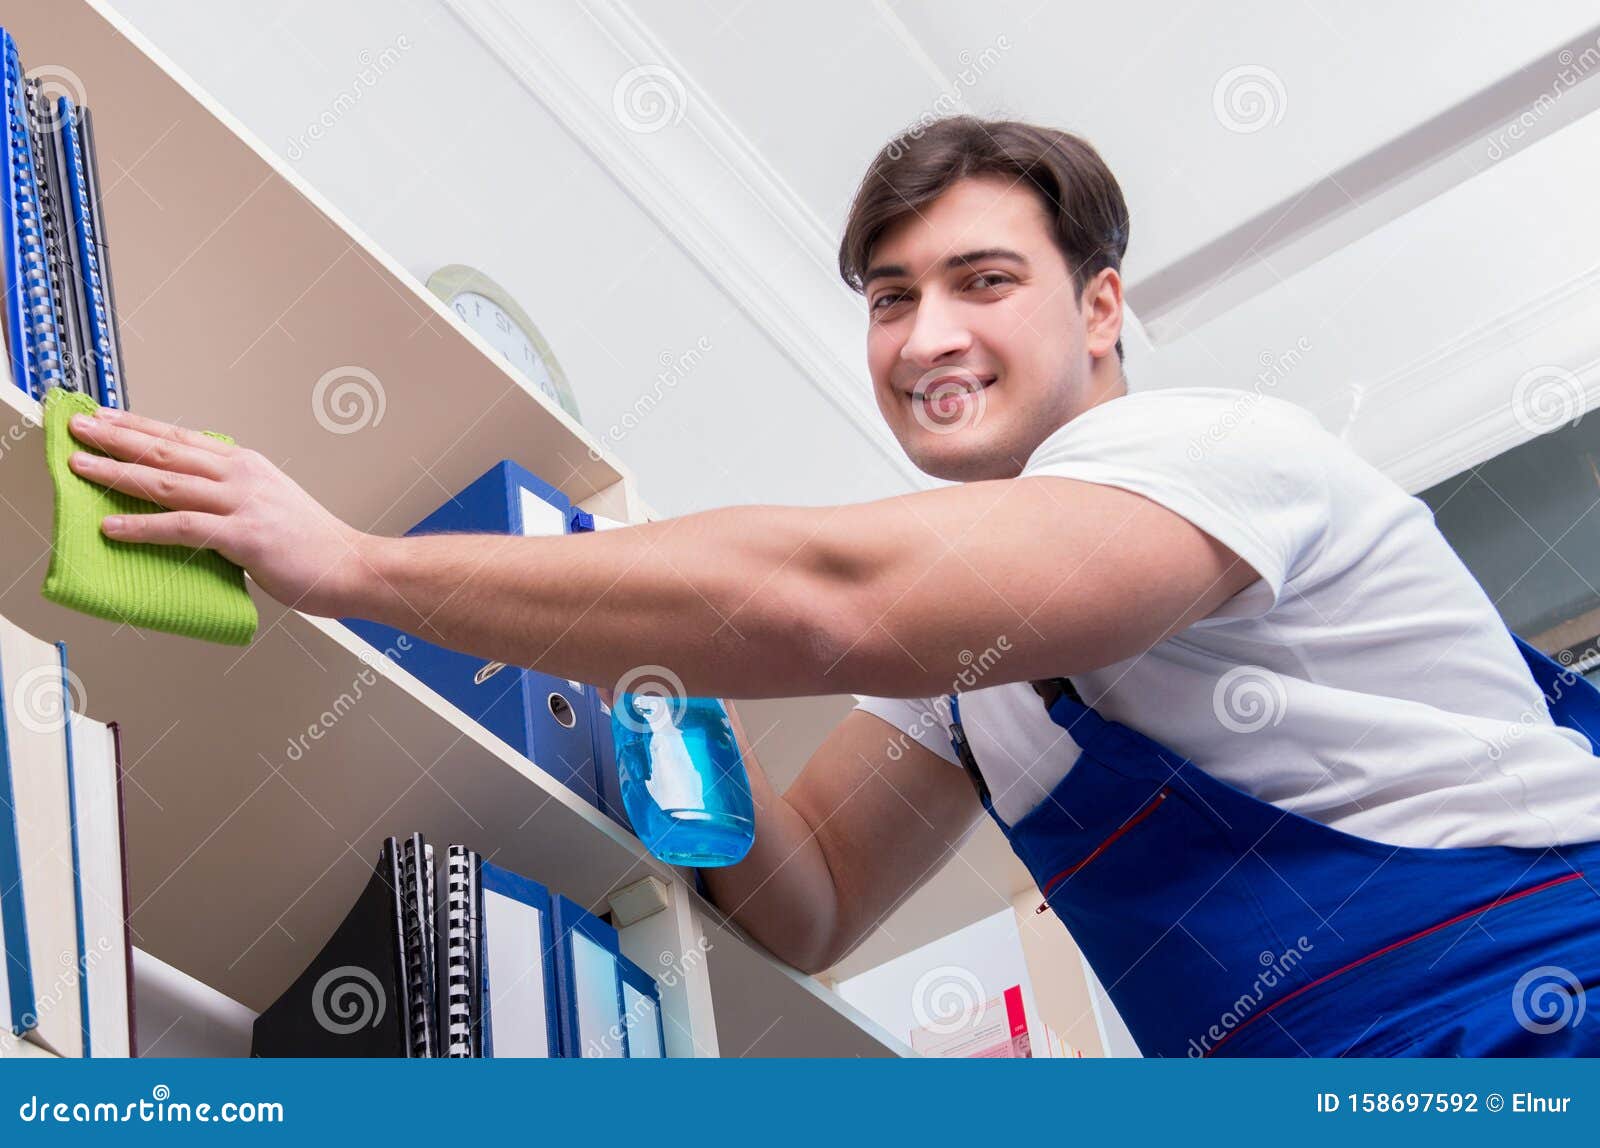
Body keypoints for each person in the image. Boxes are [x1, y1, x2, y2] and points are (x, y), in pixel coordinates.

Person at [64, 117, 1600, 1057]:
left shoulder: (1212, 452)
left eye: (982, 282)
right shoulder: (976, 671)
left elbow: (834, 596)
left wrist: (356, 567)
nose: (926, 337)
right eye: (889, 299)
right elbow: (805, 899)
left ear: (1103, 303)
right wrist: (656, 688)